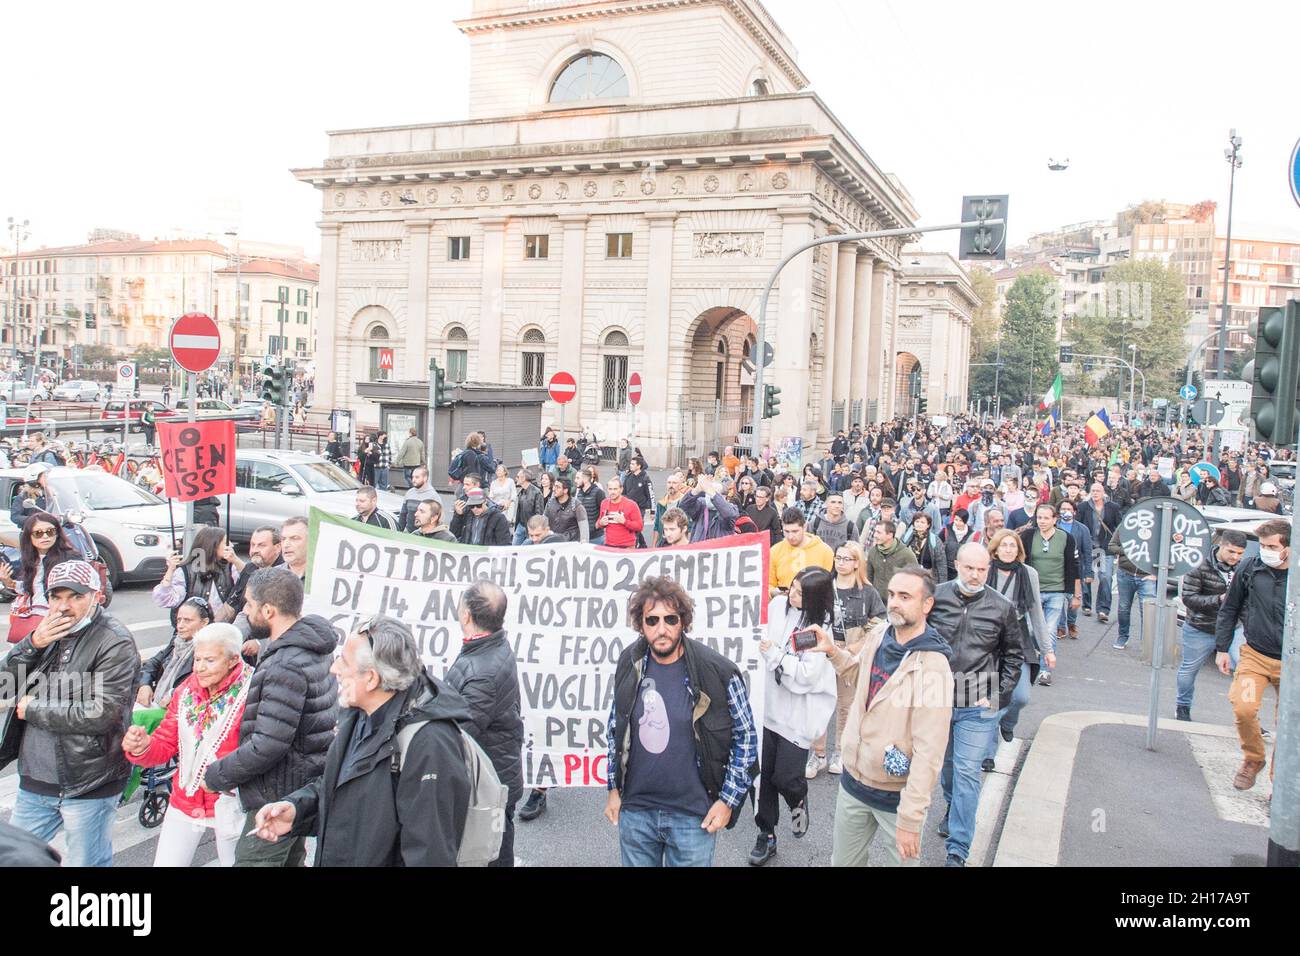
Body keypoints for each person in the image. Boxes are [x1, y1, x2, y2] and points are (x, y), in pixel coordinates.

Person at [252, 616, 472, 866]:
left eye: (344, 662)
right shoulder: (359, 714)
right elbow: (345, 791)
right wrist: (296, 810)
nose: (334, 669)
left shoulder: (430, 743)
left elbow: (430, 854)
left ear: (371, 679)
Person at [604, 576, 758, 867]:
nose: (661, 630)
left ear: (683, 621)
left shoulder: (718, 671)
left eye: (670, 619)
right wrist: (613, 788)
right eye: (652, 621)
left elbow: (746, 739)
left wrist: (727, 801)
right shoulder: (630, 662)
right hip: (636, 814)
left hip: (693, 818)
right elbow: (616, 728)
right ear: (641, 624)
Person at [2, 560, 140, 867]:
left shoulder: (113, 640)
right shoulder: (46, 632)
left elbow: (102, 713)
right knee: (13, 857)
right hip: (35, 779)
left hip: (87, 780)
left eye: (75, 596)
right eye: (57, 596)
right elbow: (4, 685)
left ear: (96, 596)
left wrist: (32, 708)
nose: (64, 606)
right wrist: (33, 643)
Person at [814, 565, 953, 867]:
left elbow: (929, 752)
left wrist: (911, 819)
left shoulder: (934, 667)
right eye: (891, 594)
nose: (894, 603)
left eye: (905, 596)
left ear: (927, 604)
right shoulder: (879, 634)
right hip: (854, 784)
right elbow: (856, 673)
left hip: (896, 800)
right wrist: (831, 651)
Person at [202, 567, 337, 866]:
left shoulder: (286, 664)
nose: (246, 612)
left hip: (275, 796)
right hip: (295, 789)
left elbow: (268, 744)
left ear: (268, 610)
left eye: (249, 605)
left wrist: (217, 775)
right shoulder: (310, 648)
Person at [123, 623, 251, 866]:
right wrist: (142, 747)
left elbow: (259, 751)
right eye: (197, 659)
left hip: (232, 802)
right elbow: (165, 742)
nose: (200, 668)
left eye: (210, 660)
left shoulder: (253, 689)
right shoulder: (187, 690)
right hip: (186, 795)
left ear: (233, 660)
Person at [928, 543, 1023, 866]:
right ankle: (953, 806)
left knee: (968, 771)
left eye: (982, 569)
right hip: (938, 701)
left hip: (977, 705)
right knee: (949, 769)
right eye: (969, 568)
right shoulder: (935, 597)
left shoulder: (1002, 606)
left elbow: (1014, 656)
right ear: (956, 565)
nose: (975, 575)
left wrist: (997, 696)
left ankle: (958, 849)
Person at [749, 567, 837, 865]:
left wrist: (774, 654)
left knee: (786, 777)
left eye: (800, 592)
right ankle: (766, 834)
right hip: (766, 709)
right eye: (792, 587)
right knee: (762, 779)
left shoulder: (817, 631)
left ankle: (798, 797)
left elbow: (803, 677)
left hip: (796, 717)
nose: (792, 595)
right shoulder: (776, 606)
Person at [444, 581, 524, 866]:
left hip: (489, 786)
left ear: (466, 615)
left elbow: (456, 733)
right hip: (496, 775)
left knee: (491, 855)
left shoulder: (483, 672)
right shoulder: (486, 648)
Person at [1215, 518, 1288, 792]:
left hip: (1292, 660)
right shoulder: (1250, 567)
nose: (1265, 550)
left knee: (1290, 724)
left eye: (1272, 546)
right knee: (1243, 707)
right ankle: (1254, 758)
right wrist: (1223, 648)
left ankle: (1278, 785)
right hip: (1255, 654)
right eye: (1263, 545)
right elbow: (1230, 607)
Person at [983, 529, 1053, 757]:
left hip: (1018, 636)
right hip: (990, 636)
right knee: (994, 697)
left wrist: (1047, 650)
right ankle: (988, 754)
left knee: (1020, 696)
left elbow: (1037, 613)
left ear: (1019, 550)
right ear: (995, 548)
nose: (1008, 550)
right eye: (1004, 545)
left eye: (1013, 546)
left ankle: (1008, 722)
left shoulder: (1028, 573)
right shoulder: (985, 570)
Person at [1177, 530, 1248, 721]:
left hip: (1234, 627)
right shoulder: (1200, 565)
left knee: (1246, 668)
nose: (1235, 557)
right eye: (1231, 552)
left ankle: (1248, 716)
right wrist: (1220, 599)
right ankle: (1183, 707)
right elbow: (1189, 598)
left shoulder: (1243, 567)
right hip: (1201, 626)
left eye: (1240, 553)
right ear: (1222, 545)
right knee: (1189, 669)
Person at [1019, 503, 1080, 683]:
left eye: (1046, 518)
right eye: (1039, 517)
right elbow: (1020, 560)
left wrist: (1075, 595)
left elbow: (1073, 567)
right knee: (1030, 629)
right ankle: (1037, 655)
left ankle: (1045, 670)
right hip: (1032, 591)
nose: (1042, 521)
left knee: (1049, 630)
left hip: (1056, 591)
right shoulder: (1028, 536)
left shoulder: (1066, 538)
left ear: (1055, 519)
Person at [1, 511, 82, 644]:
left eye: (50, 532)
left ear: (57, 533)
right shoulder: (31, 559)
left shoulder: (69, 558)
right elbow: (32, 590)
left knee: (31, 654)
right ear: (29, 537)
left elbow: (77, 593)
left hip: (57, 619)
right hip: (34, 618)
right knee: (19, 656)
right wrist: (9, 582)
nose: (45, 537)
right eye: (38, 533)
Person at [137, 597, 214, 707]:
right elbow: (152, 663)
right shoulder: (177, 642)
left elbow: (200, 684)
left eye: (187, 620)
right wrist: (144, 684)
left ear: (204, 622)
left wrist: (173, 694)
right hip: (160, 704)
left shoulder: (209, 650)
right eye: (179, 620)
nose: (180, 626)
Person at [153, 526, 239, 622]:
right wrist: (170, 570)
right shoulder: (185, 572)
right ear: (213, 545)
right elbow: (167, 600)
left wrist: (236, 560)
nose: (231, 545)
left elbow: (247, 587)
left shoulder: (231, 567)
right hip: (193, 630)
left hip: (223, 627)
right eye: (226, 542)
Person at [1107, 518, 1156, 653]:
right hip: (1125, 573)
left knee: (1147, 611)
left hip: (1147, 576)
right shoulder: (1126, 526)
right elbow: (1112, 545)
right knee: (1123, 608)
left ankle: (1146, 643)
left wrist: (1156, 573)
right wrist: (1129, 551)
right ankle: (1122, 636)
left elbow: (1167, 551)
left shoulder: (1158, 528)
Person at [1075, 482, 1121, 623]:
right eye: (1093, 490)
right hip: (1088, 547)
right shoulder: (1083, 507)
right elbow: (1078, 525)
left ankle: (1103, 609)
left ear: (1103, 493)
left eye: (1098, 491)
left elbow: (1119, 526)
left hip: (1104, 547)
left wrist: (1117, 545)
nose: (1095, 493)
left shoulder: (1113, 507)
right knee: (1086, 577)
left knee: (1105, 577)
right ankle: (1087, 604)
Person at [769, 507, 834, 598]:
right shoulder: (774, 551)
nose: (790, 536)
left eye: (795, 531)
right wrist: (773, 592)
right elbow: (768, 584)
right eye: (786, 531)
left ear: (804, 527)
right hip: (783, 605)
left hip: (814, 605)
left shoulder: (825, 551)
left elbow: (829, 586)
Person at [226, 526, 283, 622]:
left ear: (277, 548)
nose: (254, 550)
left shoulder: (284, 575)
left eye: (261, 545)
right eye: (252, 545)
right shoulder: (250, 568)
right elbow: (231, 604)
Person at [1056, 500, 1093, 640]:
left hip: (1076, 568)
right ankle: (1060, 627)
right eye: (1063, 508)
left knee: (1074, 598)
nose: (1066, 511)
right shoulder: (1055, 526)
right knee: (1058, 598)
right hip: (1057, 568)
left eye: (1069, 508)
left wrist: (1089, 572)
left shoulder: (1082, 529)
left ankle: (1071, 623)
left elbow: (1087, 552)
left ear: (1074, 511)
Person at [677, 474, 739, 543]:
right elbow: (683, 506)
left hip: (718, 551)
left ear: (722, 497)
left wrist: (711, 492)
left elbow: (729, 514)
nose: (710, 497)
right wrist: (697, 489)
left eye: (713, 494)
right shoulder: (701, 506)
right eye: (707, 493)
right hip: (699, 550)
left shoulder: (731, 508)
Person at [866, 520, 914, 605]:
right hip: (877, 603)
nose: (875, 535)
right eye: (875, 532)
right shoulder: (872, 552)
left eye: (879, 532)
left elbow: (915, 580)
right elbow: (868, 577)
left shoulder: (906, 554)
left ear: (890, 535)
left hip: (898, 604)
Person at [901, 512, 949, 584]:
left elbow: (941, 563)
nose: (919, 524)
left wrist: (942, 583)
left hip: (927, 578)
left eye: (922, 522)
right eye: (917, 521)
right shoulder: (906, 537)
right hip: (908, 576)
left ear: (928, 525)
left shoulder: (935, 540)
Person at [597, 477, 644, 549]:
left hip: (627, 547)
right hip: (609, 545)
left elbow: (639, 526)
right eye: (610, 489)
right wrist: (601, 523)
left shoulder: (631, 504)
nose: (612, 492)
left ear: (621, 489)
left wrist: (625, 522)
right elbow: (598, 523)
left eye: (615, 489)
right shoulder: (604, 503)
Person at [399, 466, 443, 533]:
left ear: (425, 478)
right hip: (408, 533)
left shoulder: (433, 496)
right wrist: (399, 531)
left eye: (417, 477)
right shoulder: (409, 493)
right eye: (412, 477)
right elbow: (403, 515)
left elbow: (440, 518)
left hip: (425, 534)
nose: (413, 480)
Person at [545, 477, 589, 543]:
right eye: (554, 486)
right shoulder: (550, 503)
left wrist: (584, 546)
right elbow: (543, 522)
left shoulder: (577, 506)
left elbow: (584, 529)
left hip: (570, 545)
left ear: (565, 490)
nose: (554, 489)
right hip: (554, 544)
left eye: (558, 487)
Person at [511, 469, 545, 545]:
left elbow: (539, 513)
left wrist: (534, 529)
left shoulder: (536, 492)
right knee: (513, 549)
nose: (516, 478)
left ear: (523, 478)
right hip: (521, 525)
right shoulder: (521, 492)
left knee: (525, 549)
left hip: (531, 527)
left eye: (518, 477)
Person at [574, 467, 606, 545]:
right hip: (582, 536)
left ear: (585, 479)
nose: (575, 480)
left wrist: (597, 525)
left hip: (596, 537)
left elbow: (605, 511)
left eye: (578, 478)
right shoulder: (579, 493)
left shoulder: (598, 492)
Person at [279, 516, 309, 581]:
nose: (286, 545)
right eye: (283, 539)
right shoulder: (271, 577)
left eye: (294, 538)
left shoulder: (322, 575)